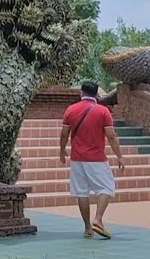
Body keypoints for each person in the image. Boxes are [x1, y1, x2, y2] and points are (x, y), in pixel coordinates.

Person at [59, 80, 125, 239]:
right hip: (97, 158)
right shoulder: (103, 111)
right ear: (96, 94)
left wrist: (62, 150)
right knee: (106, 187)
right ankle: (98, 219)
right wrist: (119, 156)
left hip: (77, 158)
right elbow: (111, 136)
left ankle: (88, 228)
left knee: (82, 192)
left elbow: (64, 133)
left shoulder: (71, 110)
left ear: (81, 92)